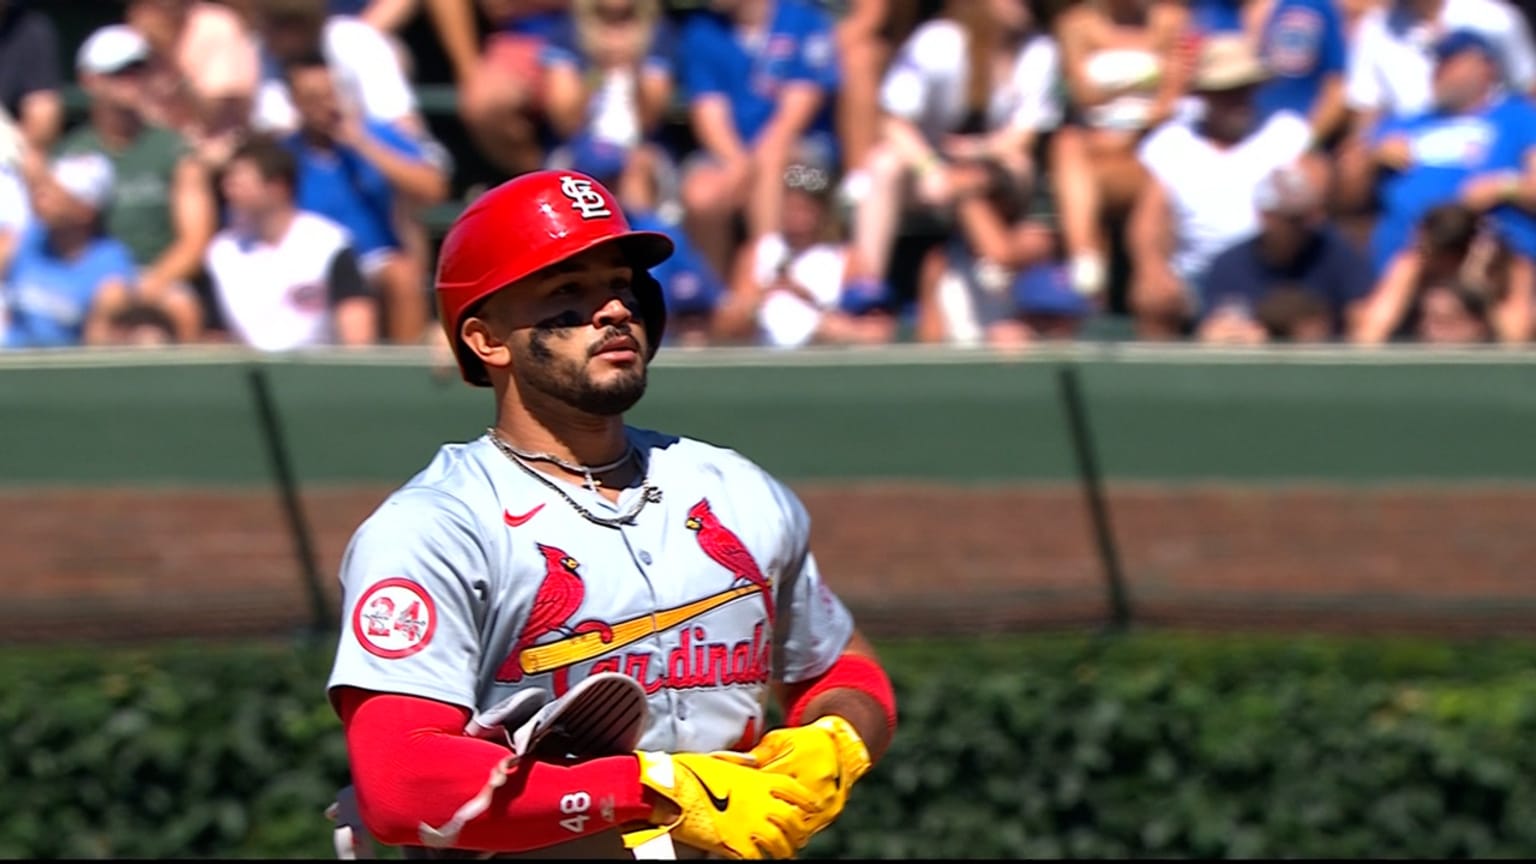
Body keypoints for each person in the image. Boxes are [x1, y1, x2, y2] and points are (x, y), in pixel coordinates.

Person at [324, 169, 897, 858]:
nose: (614, 310)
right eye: (568, 292)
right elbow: (403, 783)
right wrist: (649, 787)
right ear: (486, 340)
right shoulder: (437, 528)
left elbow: (839, 669)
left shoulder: (736, 490)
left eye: (622, 286)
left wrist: (835, 738)